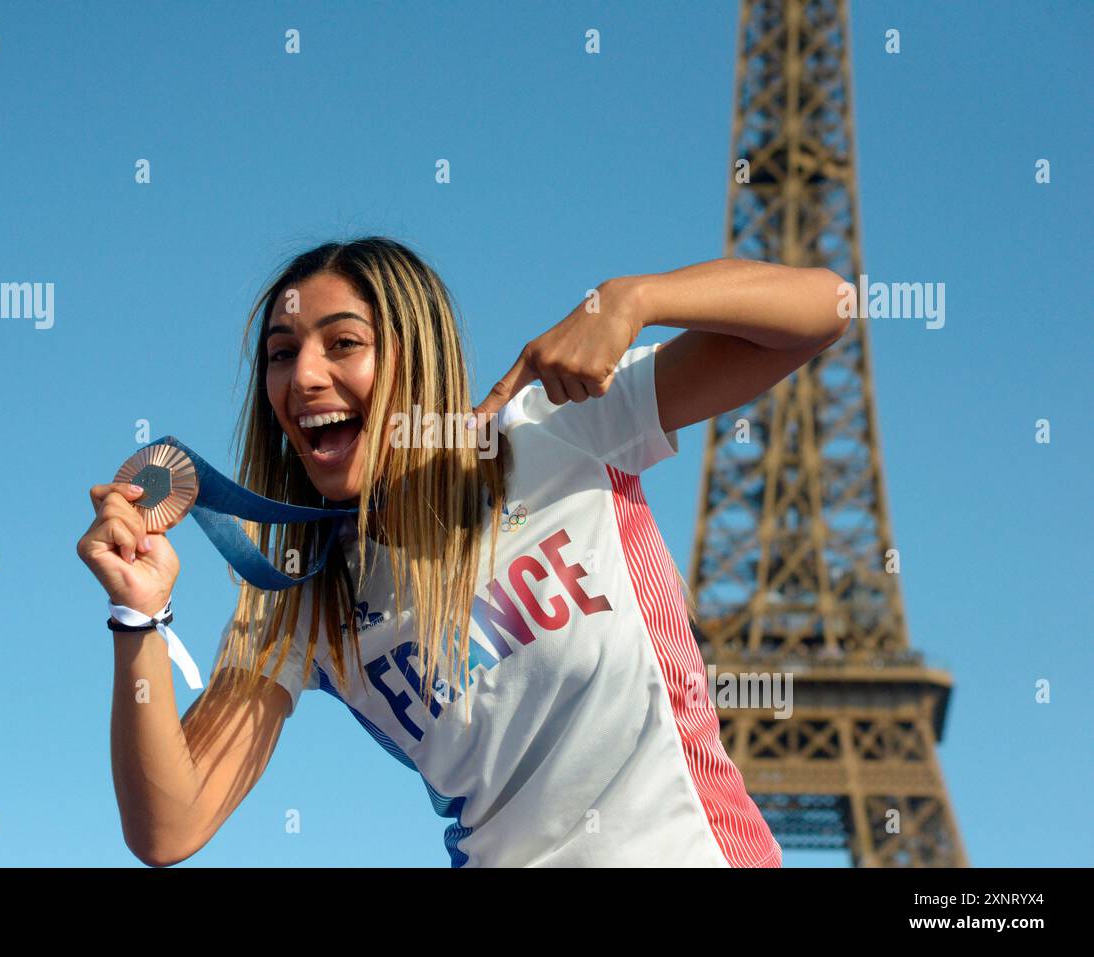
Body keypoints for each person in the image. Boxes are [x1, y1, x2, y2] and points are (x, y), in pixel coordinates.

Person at [77, 236, 848, 867]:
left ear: (418, 357)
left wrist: (634, 299)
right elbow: (168, 828)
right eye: (281, 354)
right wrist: (136, 617)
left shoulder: (558, 427)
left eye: (343, 343)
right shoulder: (300, 601)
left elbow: (823, 310)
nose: (305, 376)